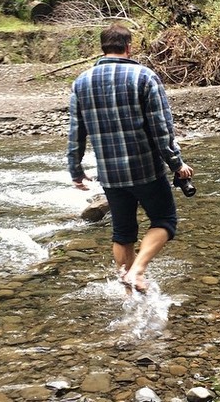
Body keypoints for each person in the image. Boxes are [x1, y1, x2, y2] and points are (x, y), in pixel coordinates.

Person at [67, 24, 193, 293]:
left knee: (123, 234)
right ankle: (137, 270)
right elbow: (162, 129)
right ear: (129, 46)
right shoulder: (144, 77)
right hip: (145, 168)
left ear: (103, 48)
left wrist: (75, 170)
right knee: (165, 221)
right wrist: (176, 163)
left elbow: (76, 132)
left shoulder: (81, 82)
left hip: (110, 174)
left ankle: (129, 293)